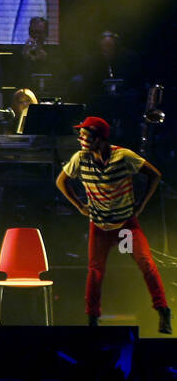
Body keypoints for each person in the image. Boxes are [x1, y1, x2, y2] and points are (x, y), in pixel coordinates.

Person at [55, 116, 170, 334]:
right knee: (96, 272)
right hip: (99, 225)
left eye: (85, 134)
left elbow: (155, 175)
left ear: (98, 138)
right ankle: (92, 319)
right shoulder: (81, 158)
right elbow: (61, 181)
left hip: (126, 224)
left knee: (146, 263)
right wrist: (79, 206)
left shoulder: (123, 156)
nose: (80, 138)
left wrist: (141, 205)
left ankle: (163, 310)